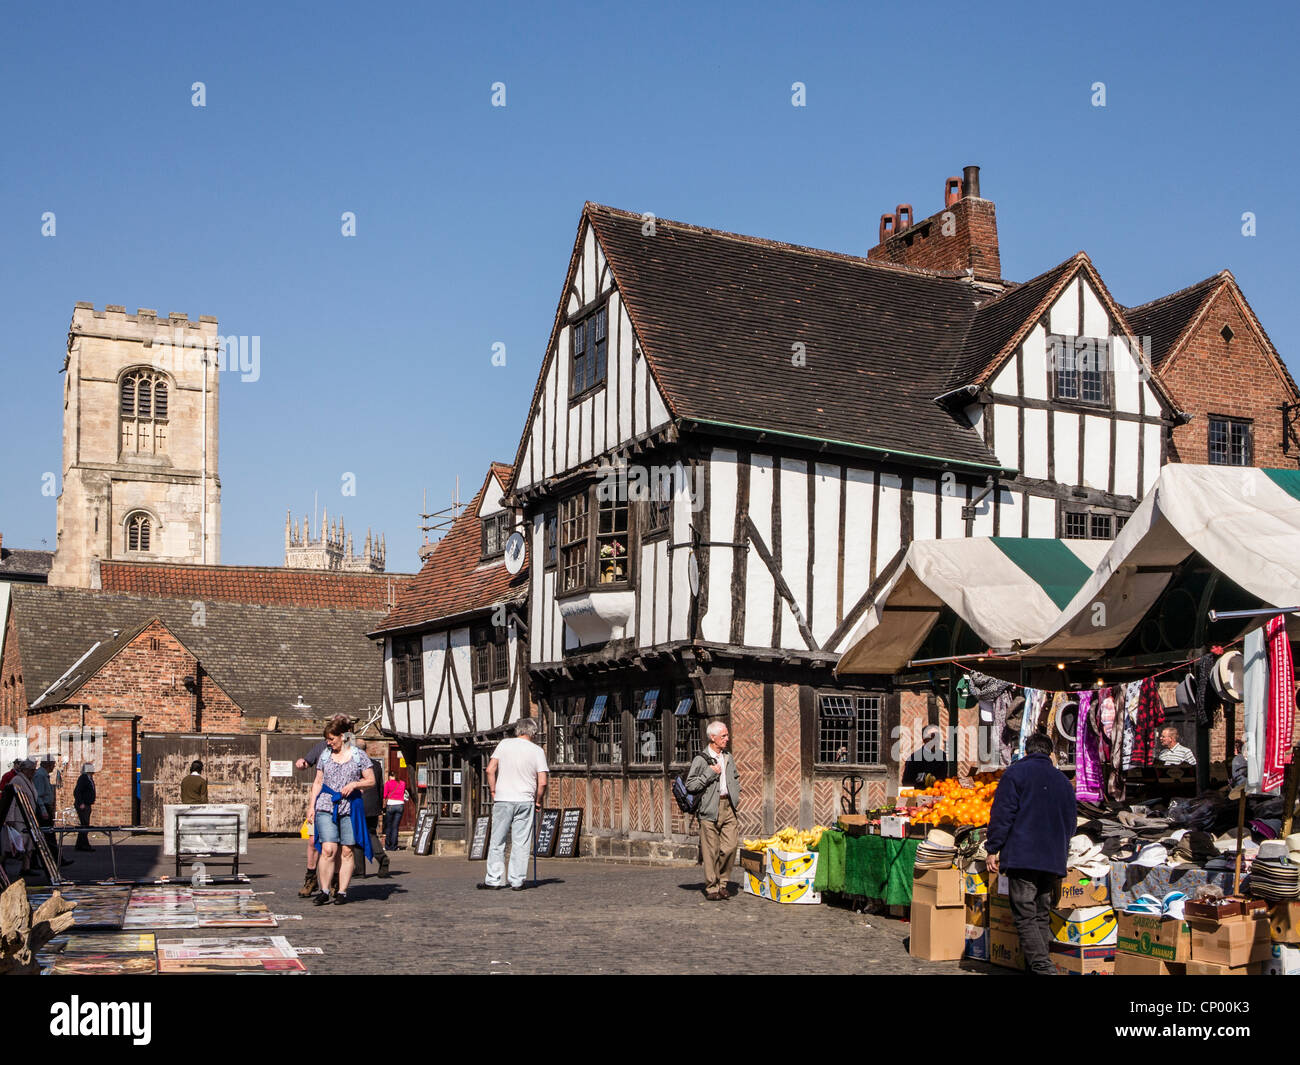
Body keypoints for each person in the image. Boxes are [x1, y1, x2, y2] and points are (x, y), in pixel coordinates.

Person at [985, 733, 1075, 976]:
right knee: (1040, 913)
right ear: (1050, 753)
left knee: (1025, 914)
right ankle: (1035, 966)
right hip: (1052, 858)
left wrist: (993, 848)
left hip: (1024, 855)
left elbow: (1003, 814)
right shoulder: (1063, 781)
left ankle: (1043, 968)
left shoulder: (1015, 774)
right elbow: (1071, 823)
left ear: (1026, 751)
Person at [305, 715, 374, 905]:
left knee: (347, 850)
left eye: (331, 739)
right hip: (326, 804)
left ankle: (342, 891)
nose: (329, 743)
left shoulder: (359, 755)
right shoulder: (326, 755)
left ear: (342, 736)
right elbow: (318, 781)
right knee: (328, 849)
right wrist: (312, 807)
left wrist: (354, 784)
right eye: (327, 739)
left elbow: (371, 780)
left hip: (350, 806)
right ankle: (324, 889)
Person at [479, 717, 548, 892]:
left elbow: (490, 769)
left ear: (518, 730)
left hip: (504, 798)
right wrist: (538, 800)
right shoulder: (538, 751)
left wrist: (494, 791)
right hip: (525, 800)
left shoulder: (504, 744)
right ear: (533, 733)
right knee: (521, 842)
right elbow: (542, 782)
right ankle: (517, 880)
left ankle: (494, 879)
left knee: (498, 840)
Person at [686, 720, 742, 901]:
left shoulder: (728, 757)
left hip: (728, 807)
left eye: (727, 735)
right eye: (724, 736)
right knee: (711, 851)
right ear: (713, 737)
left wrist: (736, 794)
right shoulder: (700, 759)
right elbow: (691, 785)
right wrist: (709, 773)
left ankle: (723, 882)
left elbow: (734, 777)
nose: (727, 738)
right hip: (709, 808)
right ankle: (712, 888)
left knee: (730, 846)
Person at [295, 731, 332, 897]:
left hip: (340, 801)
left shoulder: (350, 751)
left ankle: (335, 881)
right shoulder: (321, 748)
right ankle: (311, 878)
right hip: (319, 800)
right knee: (312, 841)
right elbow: (307, 762)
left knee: (336, 845)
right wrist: (302, 763)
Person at [357, 748, 390, 878]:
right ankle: (382, 858)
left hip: (359, 804)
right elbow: (380, 786)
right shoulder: (375, 764)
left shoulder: (353, 764)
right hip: (373, 805)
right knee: (371, 834)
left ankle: (359, 870)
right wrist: (380, 805)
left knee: (356, 837)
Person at [3, 761, 40, 875]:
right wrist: (10, 817)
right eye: (32, 770)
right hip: (19, 816)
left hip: (28, 816)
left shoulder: (30, 781)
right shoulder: (17, 780)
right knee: (17, 842)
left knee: (29, 842)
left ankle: (26, 868)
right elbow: (12, 801)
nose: (33, 772)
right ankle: (2, 865)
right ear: (25, 770)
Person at [33, 757, 56, 850]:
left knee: (49, 833)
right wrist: (43, 810)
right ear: (48, 764)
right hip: (43, 807)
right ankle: (54, 857)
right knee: (48, 833)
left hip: (46, 806)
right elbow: (39, 795)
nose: (54, 767)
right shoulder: (40, 775)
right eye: (53, 765)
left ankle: (55, 856)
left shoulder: (44, 774)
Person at [73, 764, 96, 852]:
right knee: (85, 825)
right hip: (83, 805)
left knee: (84, 825)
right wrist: (81, 803)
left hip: (87, 804)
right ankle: (85, 845)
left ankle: (79, 845)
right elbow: (77, 792)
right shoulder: (83, 778)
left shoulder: (89, 778)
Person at [383, 774, 408, 850]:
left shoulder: (388, 783)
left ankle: (388, 846)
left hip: (390, 804)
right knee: (395, 826)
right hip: (400, 805)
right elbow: (403, 792)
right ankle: (394, 846)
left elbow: (384, 795)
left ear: (390, 776)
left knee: (389, 826)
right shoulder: (403, 783)